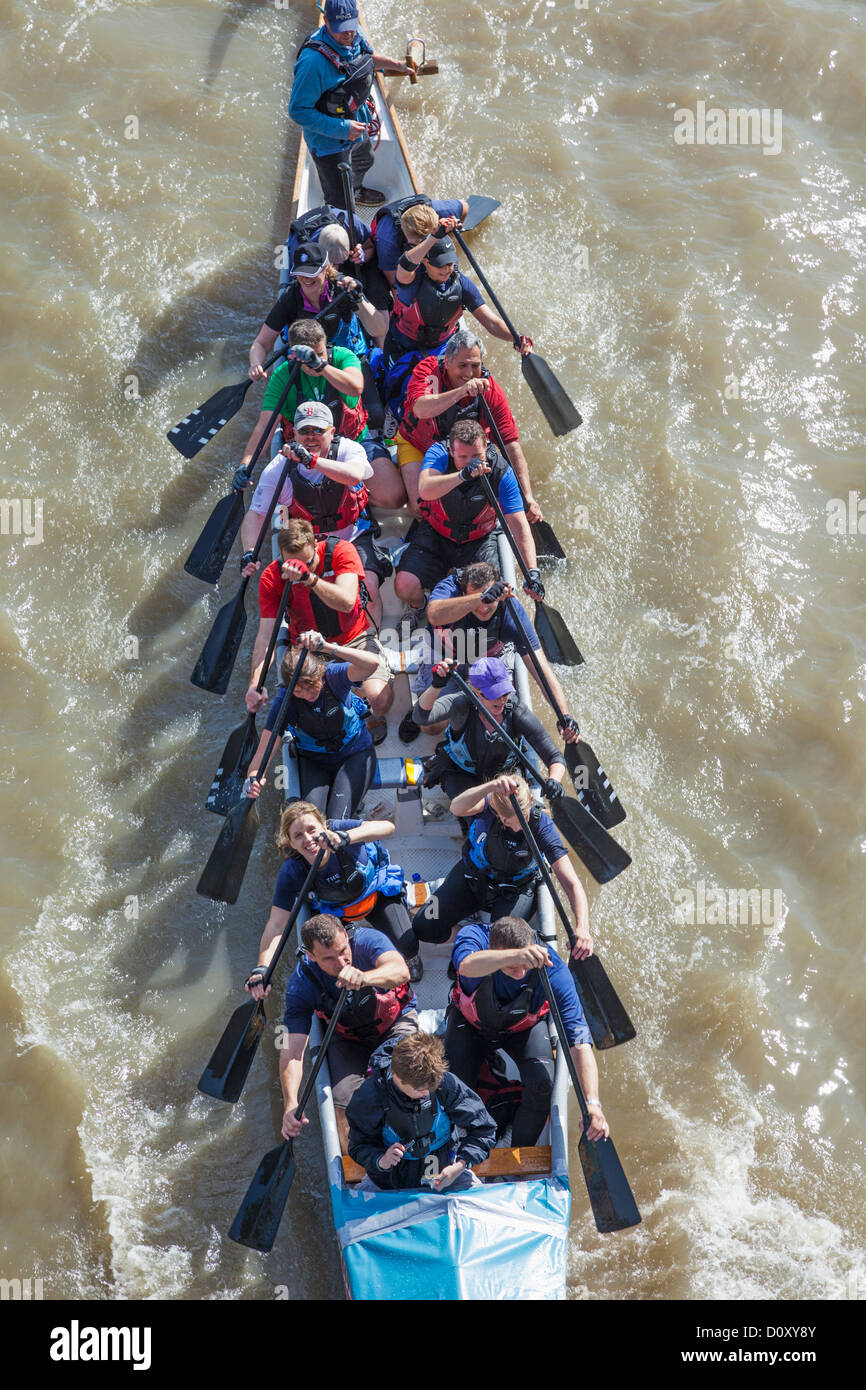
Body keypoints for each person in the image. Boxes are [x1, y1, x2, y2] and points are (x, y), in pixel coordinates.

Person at [253, 913, 417, 1151]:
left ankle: (417, 1145)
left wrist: (364, 977)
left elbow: (401, 971)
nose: (341, 962)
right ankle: (361, 1163)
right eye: (329, 958)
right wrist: (290, 1103)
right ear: (311, 956)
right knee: (342, 1103)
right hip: (348, 1038)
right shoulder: (301, 985)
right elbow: (292, 1051)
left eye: (343, 951)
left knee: (409, 1077)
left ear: (346, 938)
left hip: (395, 1022)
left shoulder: (366, 940)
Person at [446, 915, 609, 1147]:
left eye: (526, 965)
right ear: (494, 949)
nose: (521, 972)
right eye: (513, 966)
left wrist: (593, 1103)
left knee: (544, 1086)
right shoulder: (474, 937)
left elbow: (580, 1043)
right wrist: (515, 956)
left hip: (520, 1031)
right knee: (451, 1088)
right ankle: (468, 1140)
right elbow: (466, 966)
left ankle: (520, 1155)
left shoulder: (552, 969)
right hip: (471, 1025)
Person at [239, 400, 390, 628]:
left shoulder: (349, 449)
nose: (311, 437)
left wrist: (313, 461)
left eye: (318, 431)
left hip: (353, 535)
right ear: (294, 435)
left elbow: (355, 475)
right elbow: (255, 515)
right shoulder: (278, 469)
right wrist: (249, 551)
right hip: (311, 544)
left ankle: (372, 638)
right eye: (305, 431)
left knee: (367, 585)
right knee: (303, 601)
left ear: (332, 432)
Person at [399, 561, 579, 742]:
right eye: (479, 601)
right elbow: (434, 615)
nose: (484, 608)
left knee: (496, 717)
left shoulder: (511, 611)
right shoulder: (448, 589)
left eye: (490, 601)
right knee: (431, 726)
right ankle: (423, 712)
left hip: (490, 658)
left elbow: (541, 669)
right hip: (446, 656)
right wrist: (482, 597)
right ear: (462, 593)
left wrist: (564, 714)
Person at [246, 519, 393, 739]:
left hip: (354, 638)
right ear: (283, 557)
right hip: (308, 649)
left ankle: (363, 714)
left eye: (307, 562)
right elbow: (266, 636)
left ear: (316, 543)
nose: (298, 570)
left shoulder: (341, 551)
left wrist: (309, 578)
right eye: (292, 565)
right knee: (310, 703)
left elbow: (346, 602)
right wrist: (255, 685)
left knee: (379, 700)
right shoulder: (272, 577)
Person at [245, 801, 421, 982]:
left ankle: (410, 957)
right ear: (291, 843)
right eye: (298, 835)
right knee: (328, 965)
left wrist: (347, 837)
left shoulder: (339, 829)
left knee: (408, 945)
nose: (308, 838)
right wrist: (262, 967)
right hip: (337, 912)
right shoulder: (292, 871)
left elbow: (387, 827)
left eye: (312, 830)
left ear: (324, 826)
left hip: (374, 896)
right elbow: (276, 925)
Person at [412, 774, 591, 948]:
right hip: (473, 878)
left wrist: (582, 928)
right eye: (507, 822)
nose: (516, 827)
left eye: (522, 819)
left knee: (503, 945)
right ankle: (471, 938)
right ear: (496, 811)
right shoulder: (488, 805)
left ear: (530, 799)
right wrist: (491, 786)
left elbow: (572, 884)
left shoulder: (543, 827)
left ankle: (481, 943)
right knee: (424, 926)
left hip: (515, 891)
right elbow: (456, 808)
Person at [394, 418, 541, 623]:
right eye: (463, 457)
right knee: (404, 586)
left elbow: (518, 525)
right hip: (436, 534)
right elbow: (425, 490)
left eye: (477, 456)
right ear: (451, 450)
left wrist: (532, 571)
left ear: (486, 447)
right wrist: (462, 475)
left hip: (479, 541)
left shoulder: (500, 471)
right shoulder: (438, 454)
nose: (472, 462)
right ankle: (420, 606)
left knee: (490, 598)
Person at [381, 231, 532, 421]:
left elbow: (492, 322)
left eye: (450, 264)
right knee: (402, 388)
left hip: (442, 347)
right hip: (403, 348)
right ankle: (393, 414)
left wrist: (516, 337)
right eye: (440, 265)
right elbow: (404, 264)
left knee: (462, 380)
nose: (446, 269)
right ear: (425, 261)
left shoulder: (462, 284)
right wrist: (434, 237)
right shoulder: (410, 282)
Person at [395, 328, 541, 522]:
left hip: (462, 456)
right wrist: (462, 391)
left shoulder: (490, 389)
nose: (469, 373)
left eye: (475, 366)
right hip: (417, 445)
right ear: (447, 362)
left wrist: (527, 496)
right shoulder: (428, 370)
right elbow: (420, 409)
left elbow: (510, 444)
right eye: (462, 365)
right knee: (421, 508)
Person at [289, 0, 410, 209]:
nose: (347, 35)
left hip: (358, 122)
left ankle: (356, 191)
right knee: (339, 198)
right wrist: (343, 129)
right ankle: (341, 212)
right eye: (340, 30)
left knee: (365, 160)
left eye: (351, 28)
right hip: (329, 142)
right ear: (325, 21)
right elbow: (298, 111)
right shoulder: (312, 64)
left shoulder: (356, 33)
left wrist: (397, 65)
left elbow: (368, 59)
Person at [245, 632, 381, 819]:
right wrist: (253, 777)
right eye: (299, 691)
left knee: (335, 822)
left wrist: (327, 647)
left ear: (320, 674)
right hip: (315, 761)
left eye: (311, 686)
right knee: (312, 820)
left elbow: (372, 664)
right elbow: (263, 752)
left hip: (355, 753)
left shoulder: (333, 676)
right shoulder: (284, 702)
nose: (307, 694)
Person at [347, 1032, 496, 1191]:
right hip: (388, 1182)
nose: (427, 1093)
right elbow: (358, 1146)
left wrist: (460, 1165)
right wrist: (380, 1160)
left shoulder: (445, 1084)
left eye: (431, 1087)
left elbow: (484, 1130)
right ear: (397, 1077)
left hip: (446, 1175)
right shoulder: (369, 1097)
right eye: (420, 1090)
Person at [410, 655, 567, 802]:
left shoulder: (516, 710)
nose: (501, 699)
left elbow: (555, 756)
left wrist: (555, 780)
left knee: (514, 814)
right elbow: (420, 717)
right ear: (476, 692)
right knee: (479, 813)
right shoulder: (461, 704)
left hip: (504, 776)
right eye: (493, 694)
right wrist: (436, 686)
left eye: (505, 692)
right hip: (463, 773)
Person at [248, 240, 387, 375]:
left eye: (312, 272)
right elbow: (261, 343)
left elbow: (380, 330)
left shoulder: (343, 288)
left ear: (326, 269)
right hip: (308, 362)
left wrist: (359, 299)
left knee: (372, 400)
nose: (306, 278)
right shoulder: (290, 298)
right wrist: (256, 364)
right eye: (301, 273)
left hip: (345, 356)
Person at [370, 195, 468, 288]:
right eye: (415, 245)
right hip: (385, 239)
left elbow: (464, 207)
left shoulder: (442, 211)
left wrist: (448, 240)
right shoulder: (387, 240)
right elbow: (395, 285)